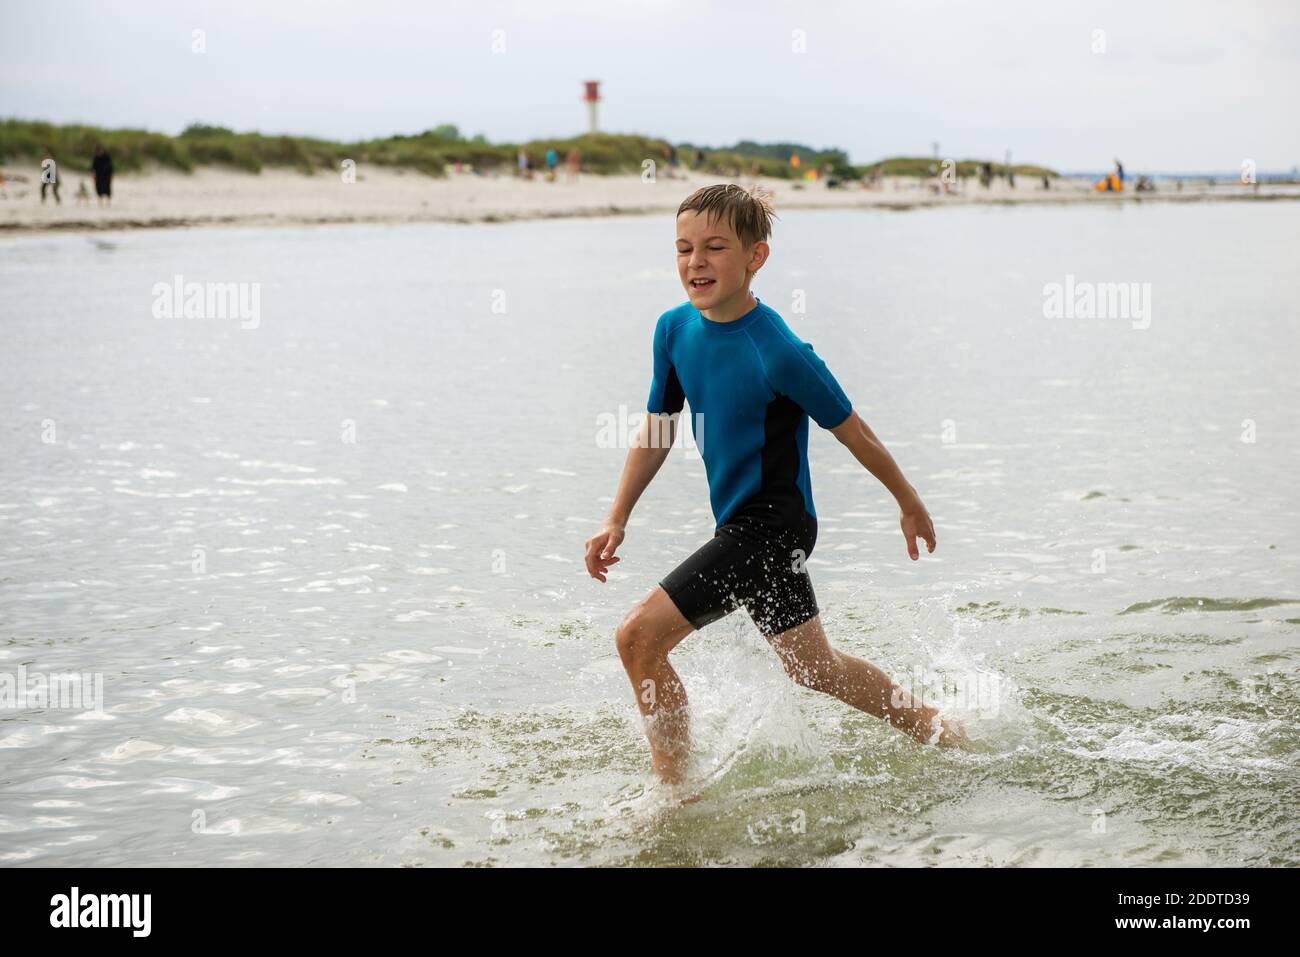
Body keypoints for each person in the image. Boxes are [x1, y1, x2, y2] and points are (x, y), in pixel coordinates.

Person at [584, 184, 969, 792]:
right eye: (684, 248)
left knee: (638, 635)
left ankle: (674, 795)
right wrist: (617, 516)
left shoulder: (780, 351)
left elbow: (854, 430)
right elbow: (658, 428)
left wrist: (908, 501)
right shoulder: (673, 331)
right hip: (742, 525)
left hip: (773, 526)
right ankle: (940, 729)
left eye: (714, 247)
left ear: (755, 257)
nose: (696, 262)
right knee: (812, 667)